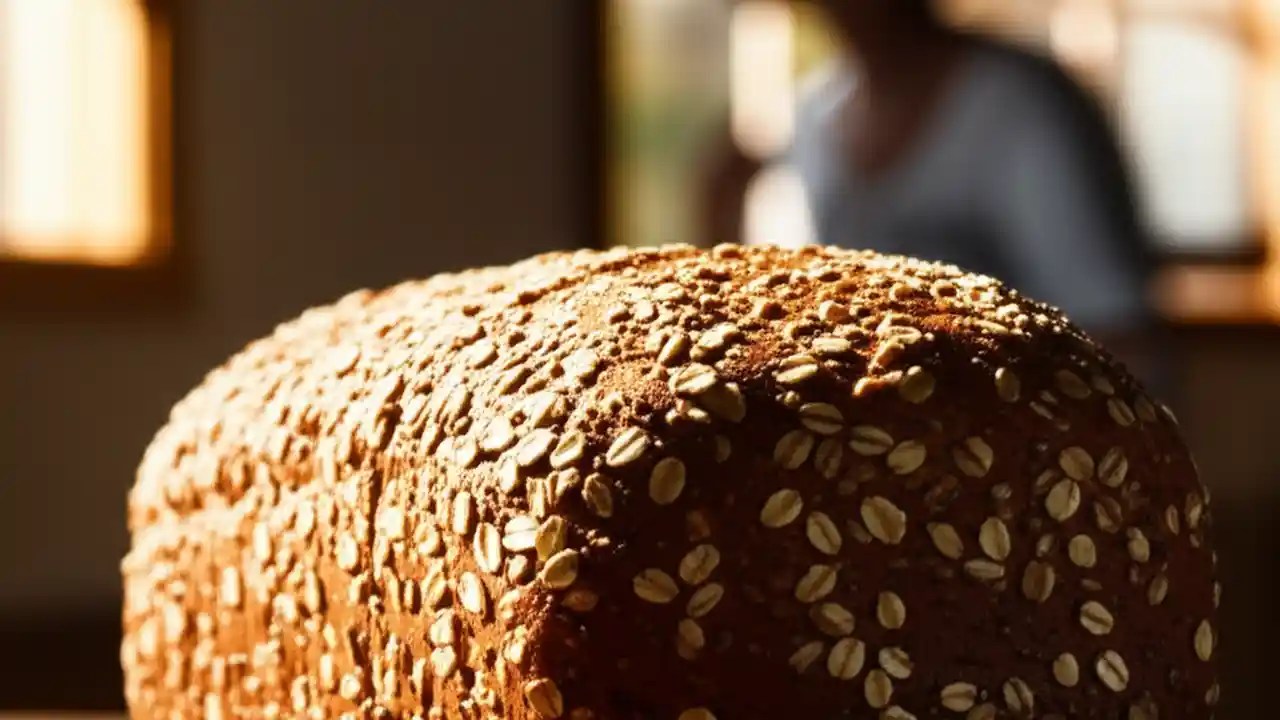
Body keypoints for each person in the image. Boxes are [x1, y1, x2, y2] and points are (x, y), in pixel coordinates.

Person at [788, 0, 1155, 344]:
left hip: (1019, 398)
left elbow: (1113, 321)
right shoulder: (815, 114)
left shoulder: (1020, 103)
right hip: (873, 402)